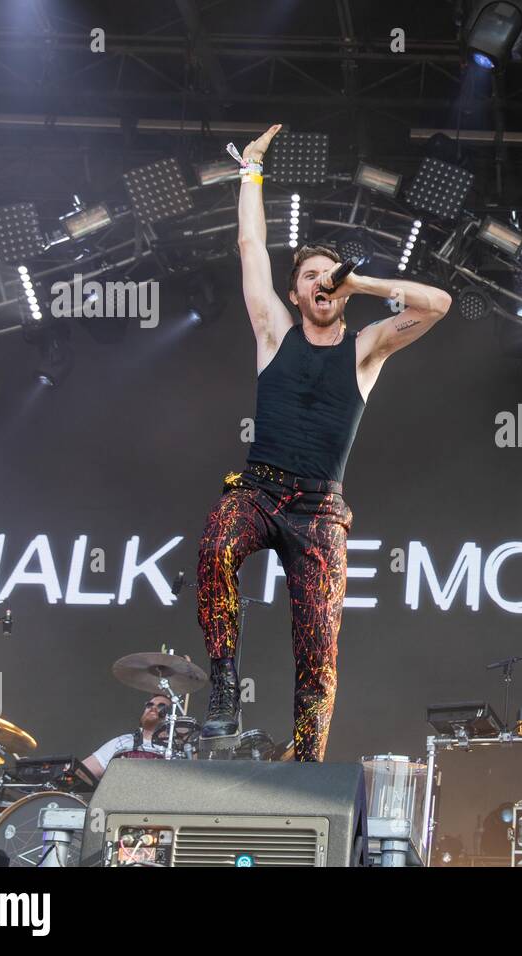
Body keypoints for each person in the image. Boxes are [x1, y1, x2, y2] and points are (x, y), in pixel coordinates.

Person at [196, 123, 452, 761]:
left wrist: (360, 284)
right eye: (310, 276)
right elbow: (251, 244)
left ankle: (306, 766)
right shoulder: (272, 331)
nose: (320, 283)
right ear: (293, 293)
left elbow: (439, 303)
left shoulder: (365, 349)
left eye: (327, 277)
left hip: (319, 512)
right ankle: (224, 682)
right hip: (259, 491)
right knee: (215, 545)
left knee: (319, 645)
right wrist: (251, 172)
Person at [81, 694, 171, 781]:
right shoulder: (122, 741)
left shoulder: (173, 749)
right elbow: (82, 772)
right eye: (149, 705)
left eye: (161, 706)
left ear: (171, 717)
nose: (153, 708)